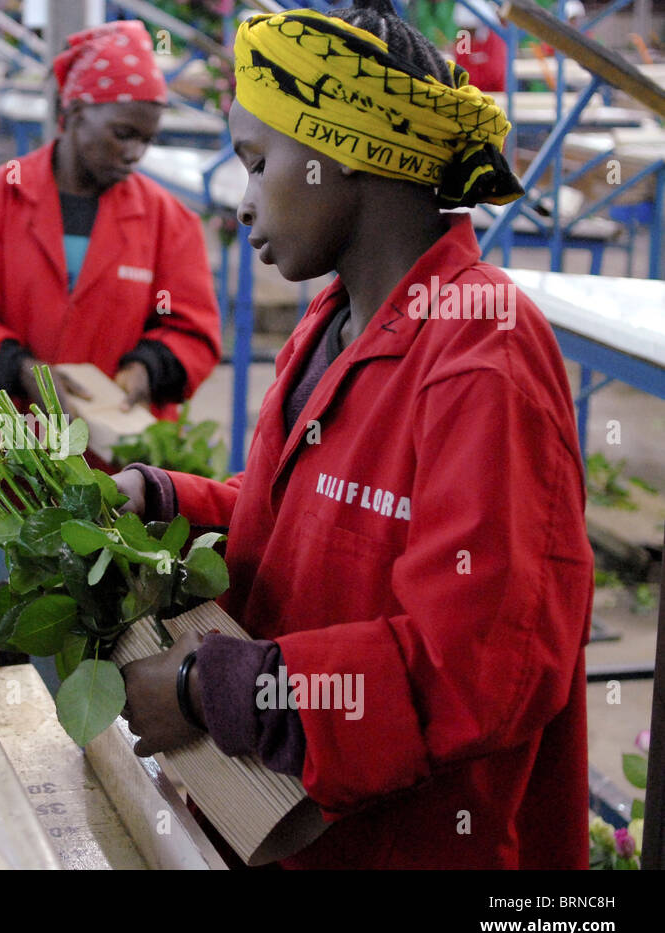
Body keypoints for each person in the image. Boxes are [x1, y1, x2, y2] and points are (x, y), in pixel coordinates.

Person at [115, 0, 593, 869]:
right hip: (299, 829)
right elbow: (318, 532)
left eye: (259, 164)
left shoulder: (484, 356)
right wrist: (169, 501)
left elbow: (481, 665)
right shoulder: (333, 326)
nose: (244, 204)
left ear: (343, 152)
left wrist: (211, 688)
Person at [0, 20, 221, 422]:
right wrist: (19, 369)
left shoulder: (169, 222)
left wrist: (148, 368)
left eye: (146, 139)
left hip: (119, 467)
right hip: (14, 440)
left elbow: (193, 333)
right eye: (123, 134)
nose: (135, 153)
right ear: (73, 111)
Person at [452, 3, 506, 92]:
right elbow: (461, 74)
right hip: (470, 95)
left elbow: (496, 75)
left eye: (471, 29)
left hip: (494, 96)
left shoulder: (494, 39)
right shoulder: (464, 39)